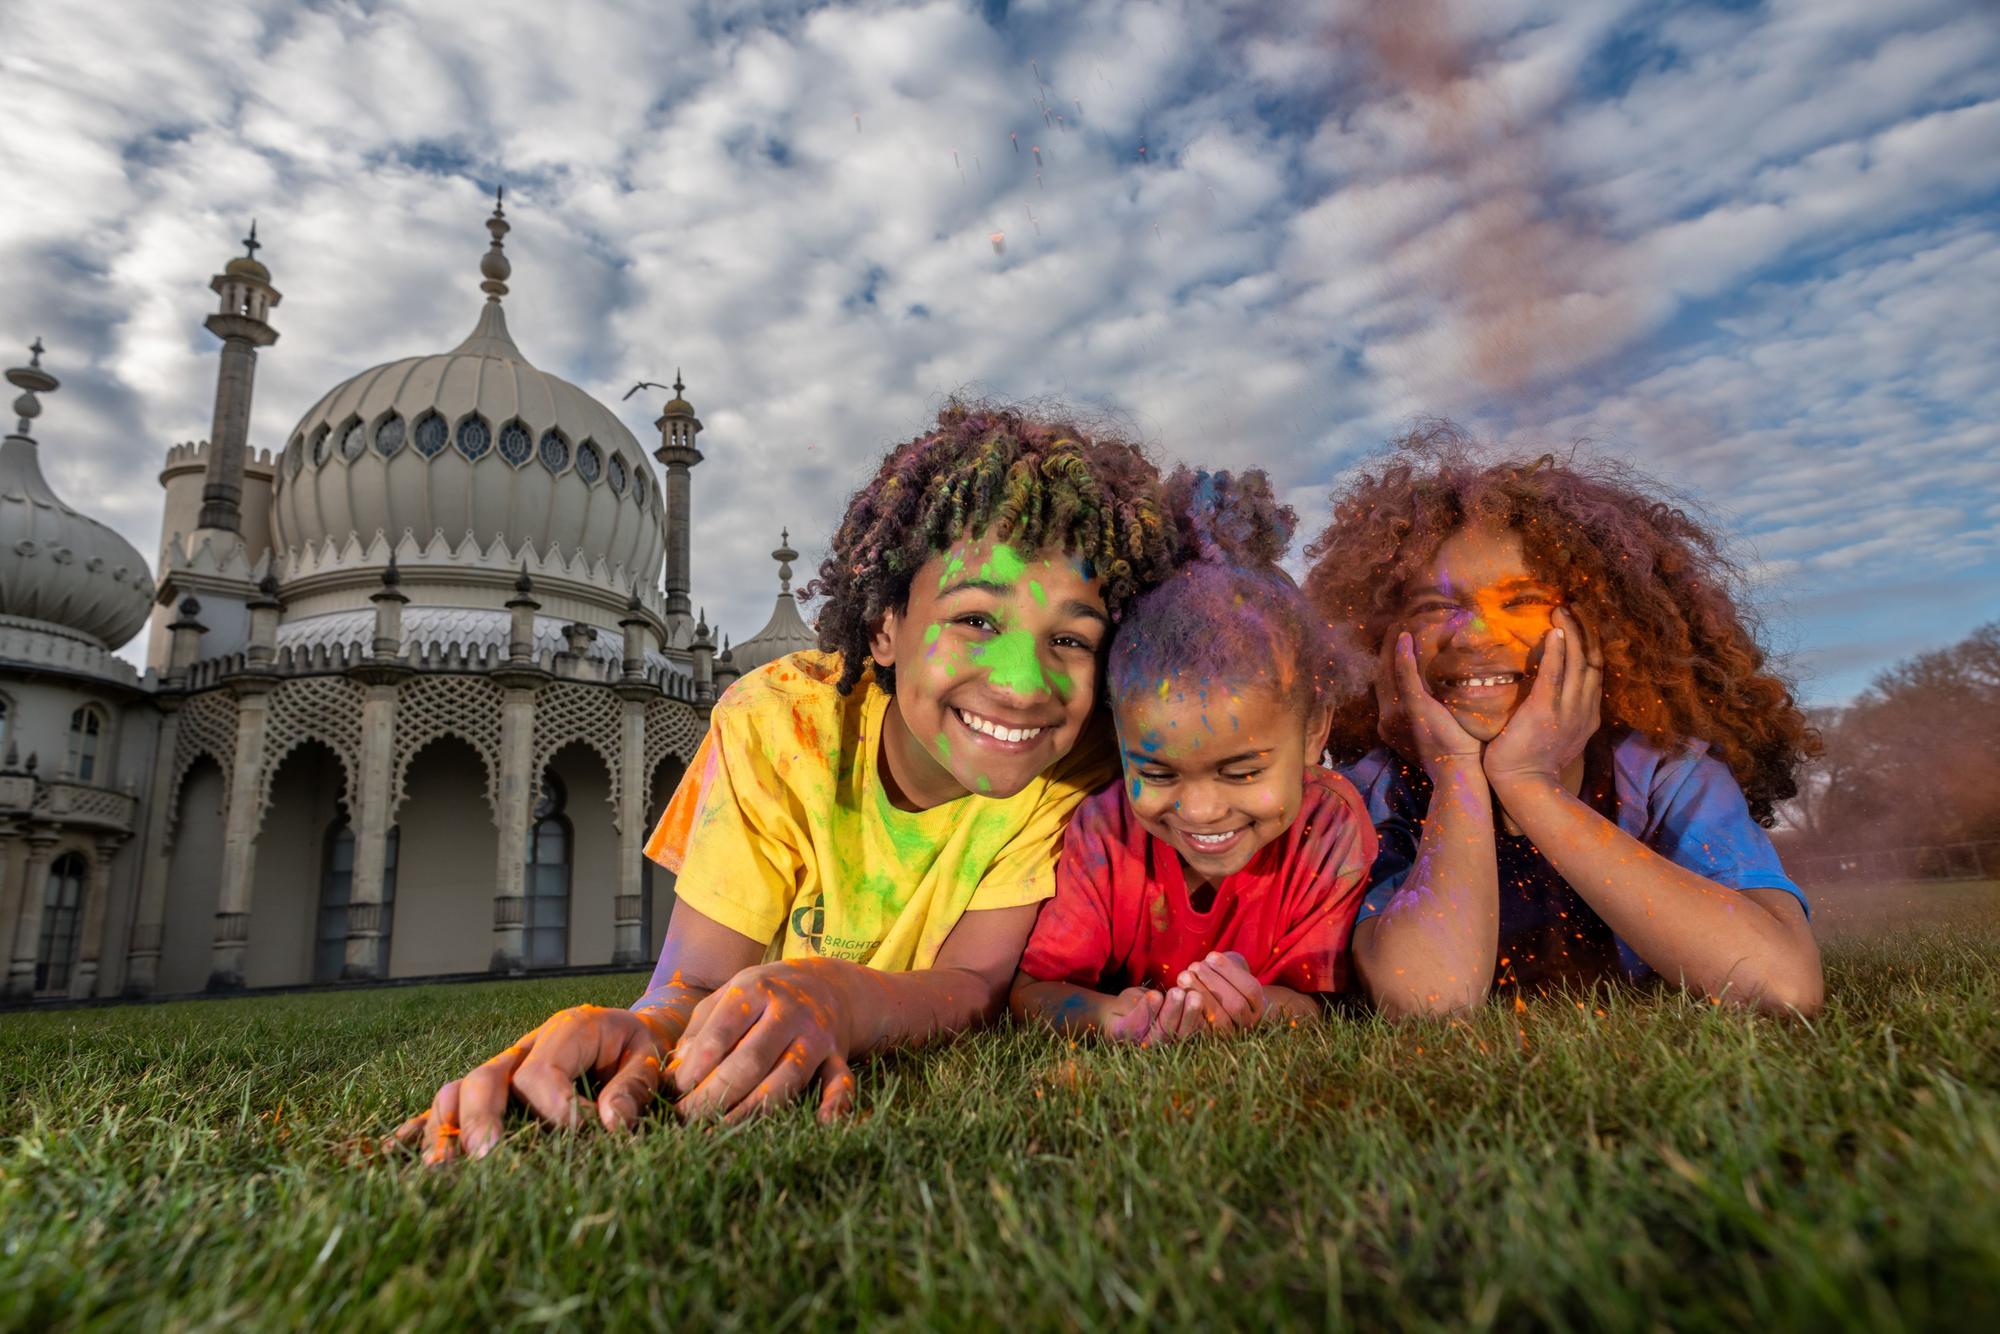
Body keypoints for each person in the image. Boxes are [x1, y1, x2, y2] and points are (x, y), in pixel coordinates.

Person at [390, 401, 1176, 1161]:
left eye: (1070, 636)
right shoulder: (780, 722)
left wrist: (835, 997)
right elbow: (695, 980)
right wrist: (637, 1032)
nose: (1022, 684)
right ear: (884, 627)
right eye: (976, 620)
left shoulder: (1065, 768)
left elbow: (974, 984)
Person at [1303, 424, 1824, 1019]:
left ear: (1606, 623)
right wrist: (1455, 774)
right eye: (1435, 606)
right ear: (1380, 638)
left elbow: (1782, 986)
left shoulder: (1667, 773)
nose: (1474, 635)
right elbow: (1426, 999)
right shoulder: (1365, 797)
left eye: (1523, 600)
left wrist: (1529, 782)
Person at [1010, 469, 1377, 1042]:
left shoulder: (1327, 830)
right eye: (1157, 772)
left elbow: (1325, 1007)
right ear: (1120, 743)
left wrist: (1257, 1008)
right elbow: (1034, 994)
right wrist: (1115, 1018)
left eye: (1244, 771)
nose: (1201, 811)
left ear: (1313, 732)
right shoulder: (1103, 830)